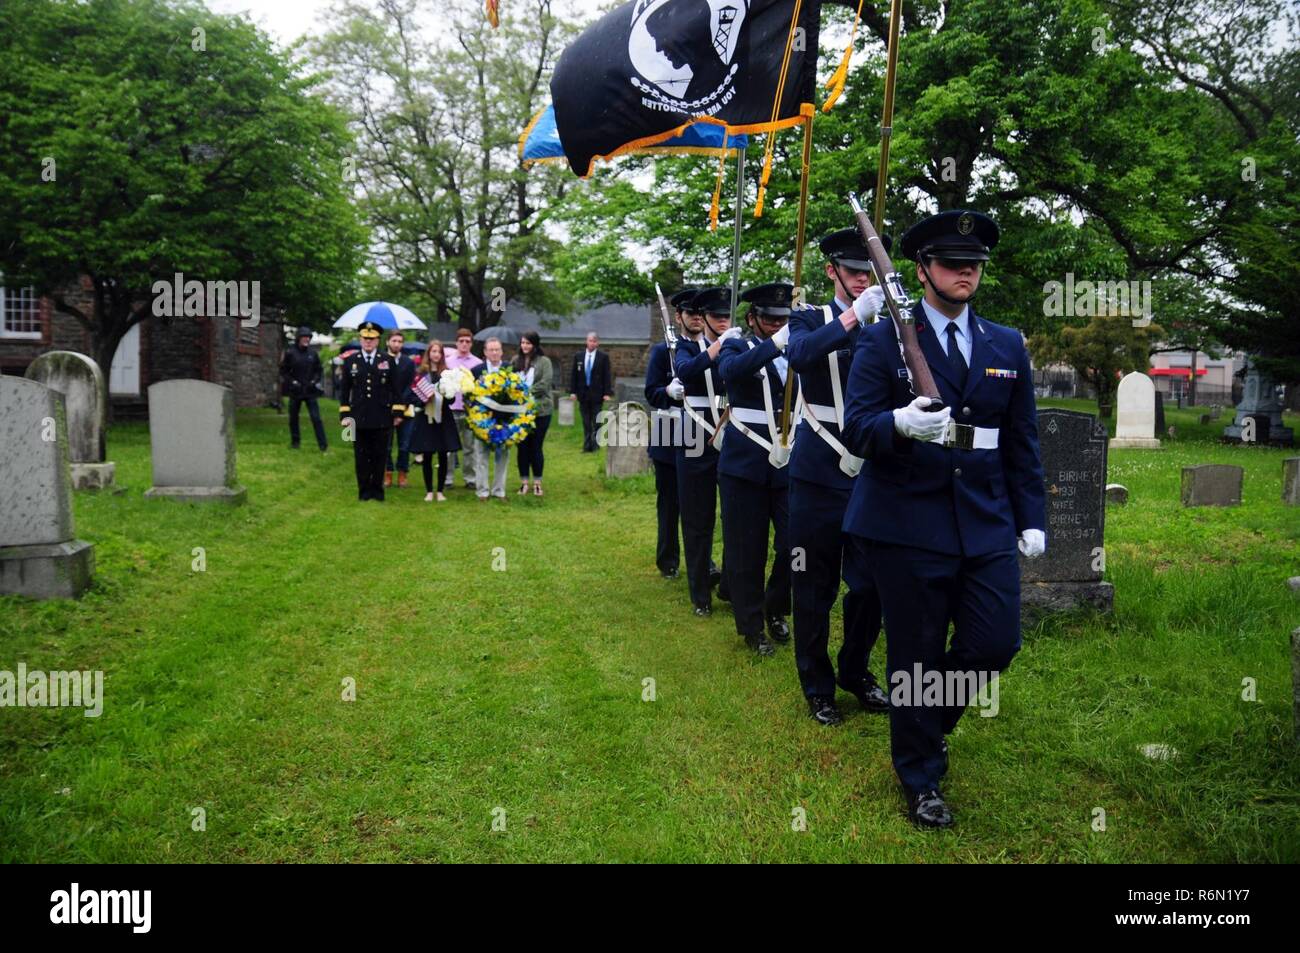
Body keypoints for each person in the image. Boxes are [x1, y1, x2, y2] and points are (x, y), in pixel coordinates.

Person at [840, 209, 1046, 829]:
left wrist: (1031, 516)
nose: (966, 272)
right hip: (906, 522)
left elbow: (1022, 441)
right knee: (916, 657)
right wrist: (899, 425)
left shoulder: (1005, 344)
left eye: (975, 263)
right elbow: (857, 427)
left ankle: (928, 724)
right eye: (954, 262)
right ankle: (921, 777)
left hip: (984, 520)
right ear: (923, 269)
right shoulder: (883, 341)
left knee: (994, 644)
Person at [785, 229, 893, 726]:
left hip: (872, 469)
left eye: (867, 271)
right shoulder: (808, 317)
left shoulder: (892, 320)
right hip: (819, 469)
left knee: (871, 584)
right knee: (813, 583)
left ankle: (855, 669)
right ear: (831, 271)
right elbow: (801, 357)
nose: (861, 279)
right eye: (852, 271)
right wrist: (854, 316)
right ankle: (817, 684)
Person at [716, 282, 796, 656]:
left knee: (793, 542)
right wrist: (775, 345)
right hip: (745, 463)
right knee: (746, 548)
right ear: (753, 319)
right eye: (770, 319)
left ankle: (776, 607)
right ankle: (751, 626)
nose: (778, 324)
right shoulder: (736, 344)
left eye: (784, 319)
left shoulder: (799, 346)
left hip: (787, 459)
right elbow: (731, 371)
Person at [668, 287, 732, 616]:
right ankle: (700, 593)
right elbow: (686, 370)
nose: (723, 321)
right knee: (697, 519)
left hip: (732, 432)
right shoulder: (685, 347)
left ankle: (732, 583)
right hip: (694, 436)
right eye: (716, 316)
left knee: (737, 517)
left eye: (727, 315)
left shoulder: (737, 343)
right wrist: (720, 346)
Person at [644, 290, 690, 578]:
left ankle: (703, 561)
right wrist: (668, 391)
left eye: (701, 313)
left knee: (699, 505)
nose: (696, 318)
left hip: (700, 431)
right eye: (690, 313)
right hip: (667, 430)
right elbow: (651, 392)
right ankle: (668, 560)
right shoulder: (663, 352)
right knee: (670, 502)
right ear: (678, 316)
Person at [339, 320, 404, 501]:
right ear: (360, 339)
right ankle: (364, 491)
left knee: (380, 455)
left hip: (381, 416)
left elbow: (395, 389)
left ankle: (377, 490)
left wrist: (398, 413)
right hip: (357, 417)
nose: (368, 342)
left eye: (372, 339)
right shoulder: (351, 361)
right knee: (360, 455)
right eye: (365, 339)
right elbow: (344, 391)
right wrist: (344, 414)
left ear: (378, 340)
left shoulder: (387, 360)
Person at [403, 340, 462, 502]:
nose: (436, 354)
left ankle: (440, 490)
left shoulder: (447, 373)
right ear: (428, 353)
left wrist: (447, 394)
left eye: (439, 352)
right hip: (425, 418)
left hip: (443, 418)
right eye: (433, 351)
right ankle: (429, 490)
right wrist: (424, 400)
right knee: (427, 454)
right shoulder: (420, 374)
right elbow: (409, 396)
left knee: (443, 454)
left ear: (442, 355)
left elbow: (451, 400)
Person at [513, 331, 554, 497]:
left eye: (528, 343)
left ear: (535, 345)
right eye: (523, 343)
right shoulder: (516, 361)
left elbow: (545, 383)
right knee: (522, 447)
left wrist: (525, 393)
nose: (525, 346)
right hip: (519, 412)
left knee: (536, 446)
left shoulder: (544, 362)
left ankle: (537, 482)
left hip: (541, 410)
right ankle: (524, 482)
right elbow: (510, 380)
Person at [472, 337, 512, 500]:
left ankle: (499, 490)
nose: (494, 353)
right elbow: (471, 395)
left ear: (501, 351)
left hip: (503, 419)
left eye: (497, 349)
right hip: (482, 420)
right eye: (491, 350)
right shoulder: (476, 370)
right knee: (481, 455)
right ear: (485, 352)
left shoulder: (509, 369)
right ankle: (482, 490)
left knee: (502, 456)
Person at [445, 329, 483, 489]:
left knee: (470, 447)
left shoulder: (477, 363)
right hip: (451, 408)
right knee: (449, 447)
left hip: (469, 410)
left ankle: (470, 478)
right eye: (461, 341)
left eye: (468, 341)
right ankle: (447, 478)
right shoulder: (448, 361)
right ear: (456, 343)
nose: (464, 344)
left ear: (471, 344)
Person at [280, 325, 328, 452]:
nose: (306, 339)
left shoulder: (313, 354)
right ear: (298, 338)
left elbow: (319, 370)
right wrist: (292, 382)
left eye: (308, 337)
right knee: (293, 418)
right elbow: (284, 371)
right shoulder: (291, 353)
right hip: (296, 391)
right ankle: (295, 442)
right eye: (304, 337)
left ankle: (323, 445)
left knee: (316, 418)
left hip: (310, 391)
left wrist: (315, 381)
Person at [382, 330, 417, 488]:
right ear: (388, 342)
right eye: (394, 341)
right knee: (386, 445)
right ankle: (387, 472)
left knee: (405, 445)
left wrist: (401, 408)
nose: (397, 344)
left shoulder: (408, 363)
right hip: (385, 410)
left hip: (406, 408)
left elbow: (411, 386)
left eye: (400, 341)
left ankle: (402, 473)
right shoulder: (381, 361)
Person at [570, 331, 612, 452]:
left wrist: (607, 393)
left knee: (596, 420)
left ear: (597, 343)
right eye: (590, 340)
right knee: (586, 421)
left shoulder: (603, 357)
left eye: (594, 341)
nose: (592, 343)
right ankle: (587, 445)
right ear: (586, 341)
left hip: (597, 395)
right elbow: (574, 375)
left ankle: (595, 444)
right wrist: (573, 392)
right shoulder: (578, 356)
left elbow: (607, 376)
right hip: (583, 394)